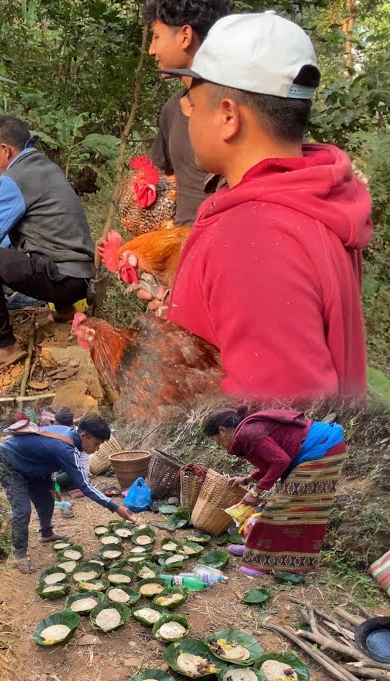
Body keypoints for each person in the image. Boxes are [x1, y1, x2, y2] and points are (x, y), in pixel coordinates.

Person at [159, 12, 370, 404]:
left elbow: (280, 431)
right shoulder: (314, 198)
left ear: (227, 116)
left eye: (191, 102)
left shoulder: (253, 239)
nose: (186, 115)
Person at [0, 117, 95, 374]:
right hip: (79, 278)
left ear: (5, 150)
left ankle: (4, 345)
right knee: (2, 251)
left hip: (63, 280)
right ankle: (65, 311)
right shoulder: (45, 166)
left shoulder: (15, 178)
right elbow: (11, 232)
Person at [203, 406, 346, 576]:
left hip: (322, 450)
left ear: (222, 431)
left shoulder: (247, 433)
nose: (218, 445)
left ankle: (267, 561)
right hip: (314, 452)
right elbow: (270, 461)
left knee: (281, 508)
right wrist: (247, 479)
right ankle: (257, 548)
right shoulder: (246, 431)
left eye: (216, 440)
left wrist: (256, 491)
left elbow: (280, 461)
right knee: (287, 508)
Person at [0, 414, 135, 573]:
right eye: (96, 444)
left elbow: (41, 453)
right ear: (83, 435)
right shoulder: (67, 449)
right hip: (8, 463)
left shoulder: (68, 434)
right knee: (22, 510)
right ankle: (19, 554)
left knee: (47, 499)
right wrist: (115, 507)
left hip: (29, 463)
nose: (97, 449)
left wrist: (50, 483)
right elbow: (85, 485)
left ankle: (47, 533)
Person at [143, 0, 232, 228]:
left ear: (185, 35)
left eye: (156, 37)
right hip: (183, 245)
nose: (152, 50)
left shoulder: (233, 109)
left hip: (224, 239)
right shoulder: (172, 110)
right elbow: (172, 179)